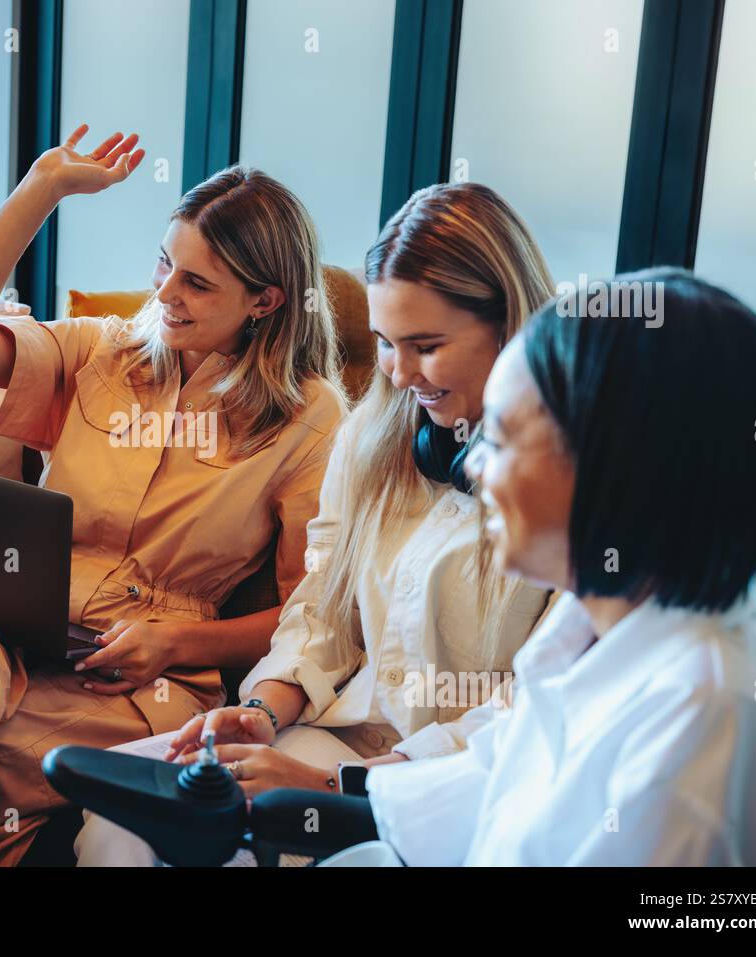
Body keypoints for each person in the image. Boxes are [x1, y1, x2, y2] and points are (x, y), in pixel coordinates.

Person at [0, 125, 348, 865]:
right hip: (11, 630)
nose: (165, 293)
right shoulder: (105, 351)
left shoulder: (310, 419)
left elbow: (313, 614)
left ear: (266, 300)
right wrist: (41, 189)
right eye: (163, 263)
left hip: (142, 676)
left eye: (197, 283)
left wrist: (179, 639)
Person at [76, 182, 557, 865]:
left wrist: (335, 786)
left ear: (511, 324)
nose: (399, 371)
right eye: (387, 343)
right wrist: (265, 710)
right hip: (331, 738)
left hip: (447, 786)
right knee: (123, 821)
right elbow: (320, 612)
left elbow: (531, 712)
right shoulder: (373, 435)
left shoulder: (574, 486)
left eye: (426, 344)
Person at [339, 268, 756, 866]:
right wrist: (302, 802)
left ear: (620, 468)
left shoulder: (698, 723)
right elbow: (491, 785)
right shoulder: (600, 625)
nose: (474, 467)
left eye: (503, 440)